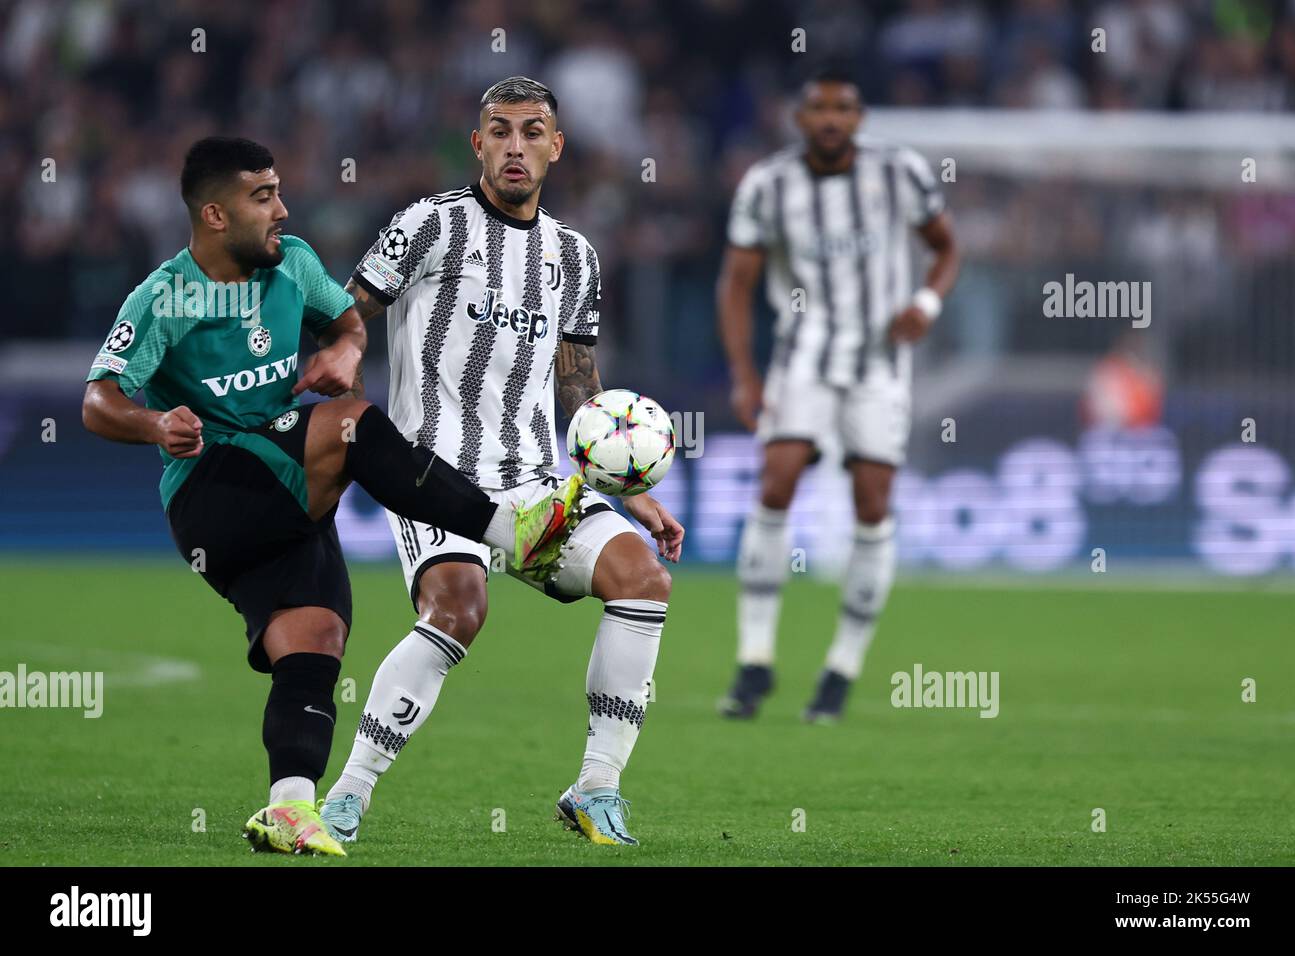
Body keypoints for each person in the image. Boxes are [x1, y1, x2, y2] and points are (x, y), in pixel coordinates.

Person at [82, 136, 583, 857]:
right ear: (216, 214)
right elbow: (98, 401)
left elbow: (347, 322)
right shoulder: (166, 296)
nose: (283, 209)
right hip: (215, 494)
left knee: (313, 644)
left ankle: (289, 807)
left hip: (287, 505)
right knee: (352, 424)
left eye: (280, 191)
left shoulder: (296, 267)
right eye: (264, 199)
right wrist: (155, 422)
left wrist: (346, 347)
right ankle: (512, 529)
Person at [318, 77, 684, 847]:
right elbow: (344, 324)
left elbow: (579, 388)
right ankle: (348, 794)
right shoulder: (427, 225)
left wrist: (631, 490)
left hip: (533, 480)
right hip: (433, 477)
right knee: (458, 609)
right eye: (500, 130)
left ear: (557, 147)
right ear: (477, 142)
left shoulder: (575, 257)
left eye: (532, 131)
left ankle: (595, 788)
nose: (516, 145)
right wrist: (352, 435)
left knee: (643, 580)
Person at [717, 67, 960, 722]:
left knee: (872, 503)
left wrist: (928, 303)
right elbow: (736, 283)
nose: (830, 119)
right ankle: (754, 662)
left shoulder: (899, 172)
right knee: (777, 481)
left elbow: (946, 248)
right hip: (804, 356)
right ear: (799, 118)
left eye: (843, 108)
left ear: (860, 117)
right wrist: (744, 372)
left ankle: (841, 670)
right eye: (818, 107)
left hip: (880, 362)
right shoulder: (769, 184)